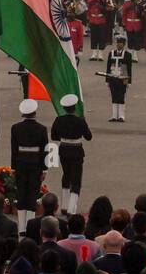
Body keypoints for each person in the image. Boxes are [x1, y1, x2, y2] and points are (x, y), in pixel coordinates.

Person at [10, 98, 48, 231]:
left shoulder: (15, 128)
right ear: (35, 112)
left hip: (20, 162)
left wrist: (13, 167)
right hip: (36, 163)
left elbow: (14, 149)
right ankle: (30, 225)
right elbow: (45, 150)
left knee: (21, 193)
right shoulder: (42, 129)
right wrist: (45, 169)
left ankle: (21, 227)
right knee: (32, 193)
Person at [51, 94, 91, 215]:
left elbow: (54, 136)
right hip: (76, 151)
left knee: (66, 175)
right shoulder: (80, 120)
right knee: (76, 179)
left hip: (64, 150)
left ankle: (64, 205)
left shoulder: (59, 120)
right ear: (74, 108)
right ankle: (71, 208)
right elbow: (88, 137)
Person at [103, 31, 133, 122]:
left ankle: (121, 115)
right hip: (113, 78)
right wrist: (107, 80)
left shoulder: (127, 55)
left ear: (124, 44)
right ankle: (114, 115)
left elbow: (129, 68)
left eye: (121, 43)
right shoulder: (111, 53)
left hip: (122, 79)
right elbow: (108, 67)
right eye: (118, 43)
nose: (119, 45)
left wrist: (129, 81)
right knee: (114, 96)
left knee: (121, 97)